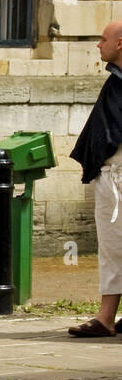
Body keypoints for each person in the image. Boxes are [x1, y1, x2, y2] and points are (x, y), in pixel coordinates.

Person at [67, 19, 122, 338]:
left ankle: (105, 317)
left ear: (120, 44)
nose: (98, 44)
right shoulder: (115, 81)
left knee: (113, 243)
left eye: (103, 39)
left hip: (116, 174)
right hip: (112, 171)